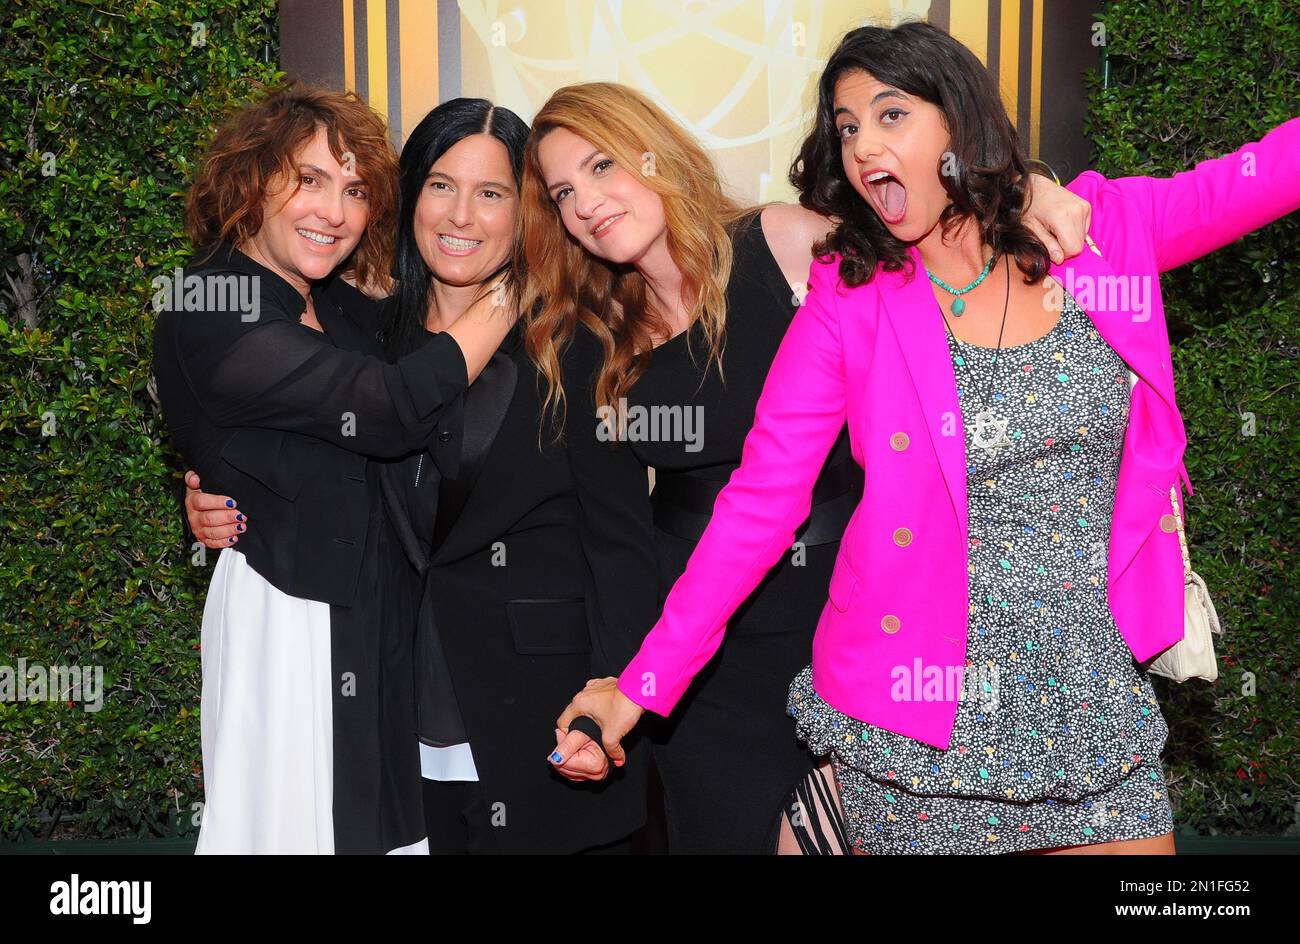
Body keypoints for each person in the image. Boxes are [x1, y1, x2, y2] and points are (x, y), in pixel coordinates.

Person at [553, 21, 1300, 855]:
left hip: (1092, 699)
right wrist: (641, 685)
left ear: (957, 120)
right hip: (921, 722)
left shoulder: (1098, 234)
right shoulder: (852, 294)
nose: (863, 144)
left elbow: (1266, 173)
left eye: (891, 114)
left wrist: (1028, 186)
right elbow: (760, 501)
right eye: (846, 128)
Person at [523, 78, 1092, 852]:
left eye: (601, 166)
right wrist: (623, 685)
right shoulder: (592, 337)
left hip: (855, 611)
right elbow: (616, 539)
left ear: (653, 154)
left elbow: (936, 241)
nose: (585, 202)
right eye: (562, 192)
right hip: (703, 647)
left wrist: (1030, 193)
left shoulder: (783, 243)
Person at [183, 98, 647, 853]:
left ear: (527, 211)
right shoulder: (362, 333)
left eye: (491, 193)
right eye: (440, 185)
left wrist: (615, 692)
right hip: (387, 710)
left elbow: (621, 542)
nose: (461, 215)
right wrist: (223, 496)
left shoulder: (576, 344)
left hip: (543, 712)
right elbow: (304, 438)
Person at [152, 83, 514, 854]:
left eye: (354, 190)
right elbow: (387, 408)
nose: (334, 211)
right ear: (252, 181)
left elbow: (421, 342)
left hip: (374, 616)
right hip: (290, 615)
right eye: (309, 180)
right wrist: (510, 295)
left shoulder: (336, 302)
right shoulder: (209, 300)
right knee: (291, 828)